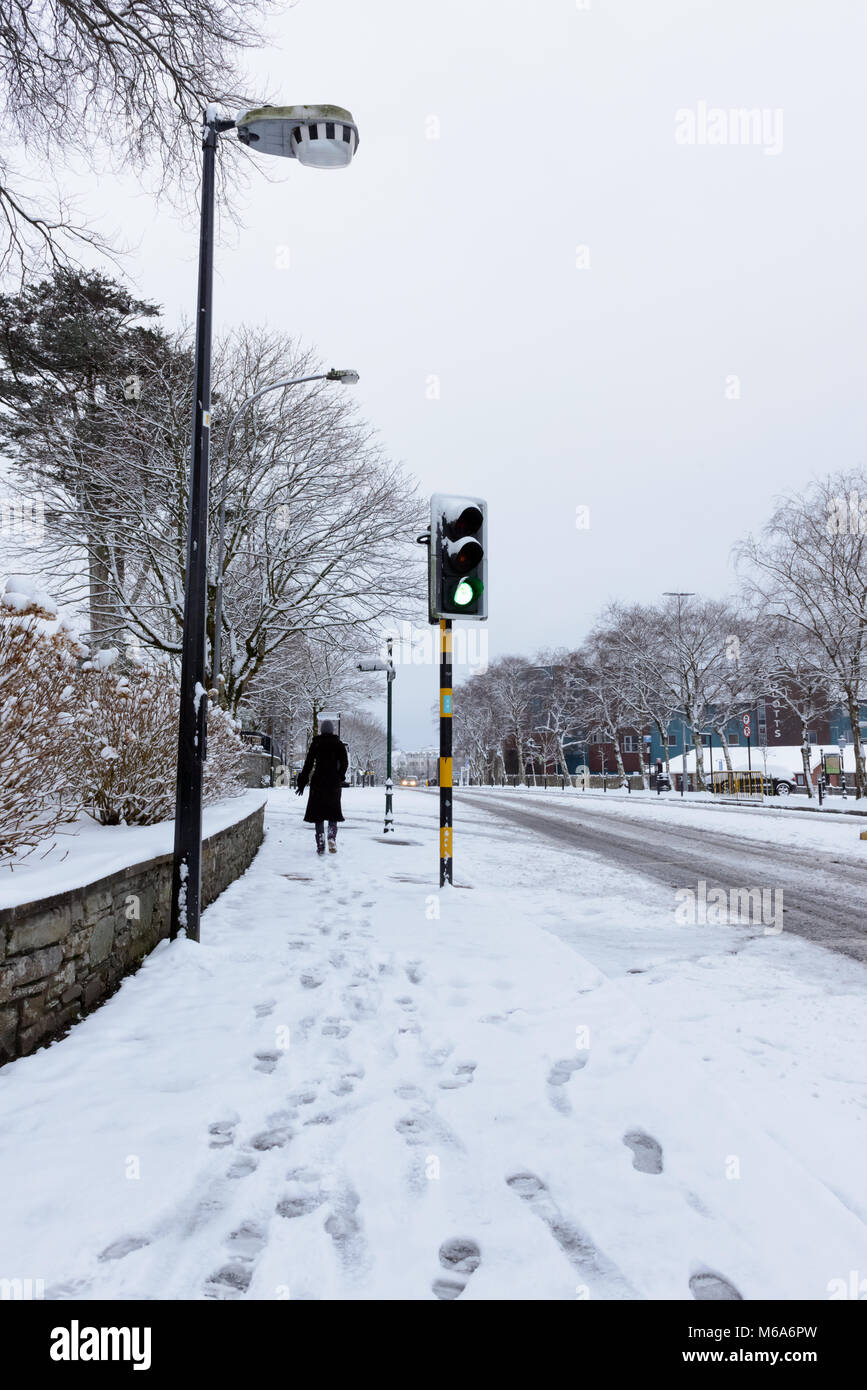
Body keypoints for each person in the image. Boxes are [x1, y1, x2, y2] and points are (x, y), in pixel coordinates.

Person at [295, 720, 349, 855]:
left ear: (321, 730)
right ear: (332, 730)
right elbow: (345, 762)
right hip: (333, 782)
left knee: (318, 814)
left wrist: (302, 781)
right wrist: (340, 776)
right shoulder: (338, 744)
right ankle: (331, 837)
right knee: (333, 812)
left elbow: (308, 763)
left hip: (318, 781)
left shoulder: (316, 743)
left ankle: (320, 842)